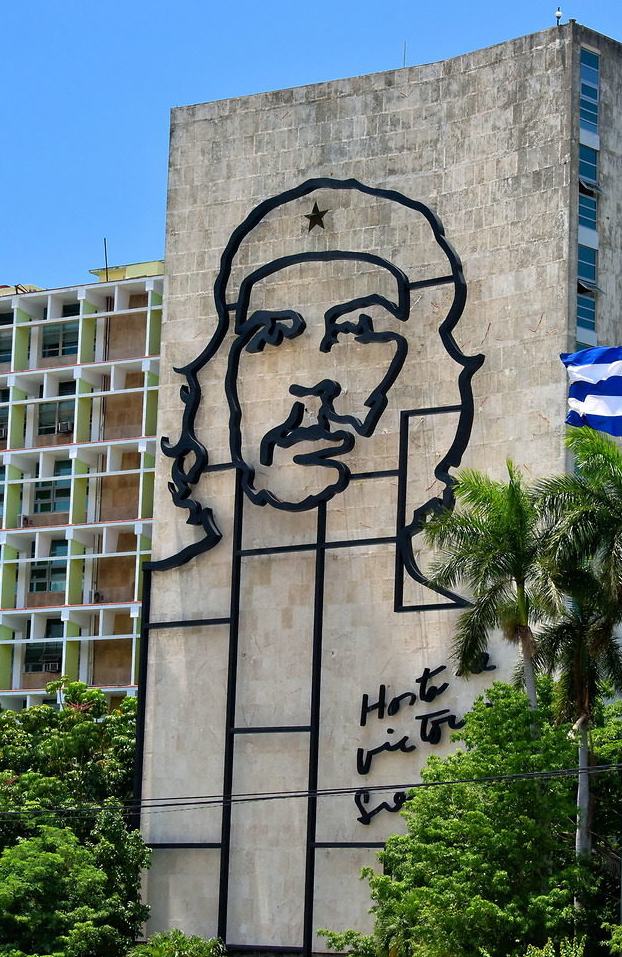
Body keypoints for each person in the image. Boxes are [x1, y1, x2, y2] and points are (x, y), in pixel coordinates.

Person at [139, 178, 497, 951]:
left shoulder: (476, 639)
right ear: (215, 384)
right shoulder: (177, 611)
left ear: (429, 377)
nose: (318, 376)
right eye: (273, 334)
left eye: (363, 330)